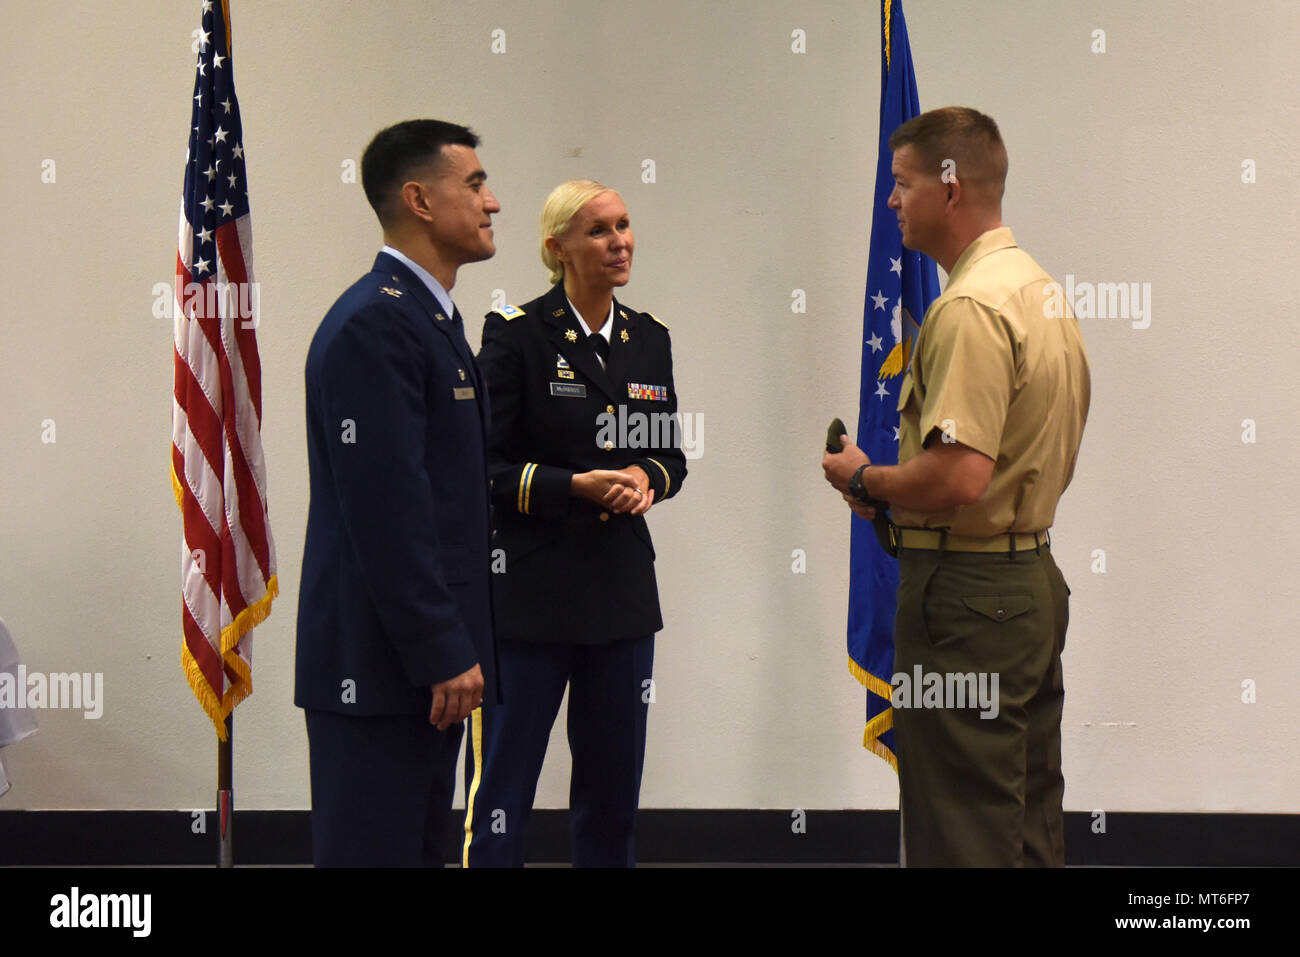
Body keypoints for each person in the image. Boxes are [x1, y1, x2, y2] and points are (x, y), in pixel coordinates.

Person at [823, 107, 1090, 867]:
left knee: (962, 828)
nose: (891, 201)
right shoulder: (1039, 292)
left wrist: (865, 475)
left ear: (949, 188)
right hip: (1027, 581)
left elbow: (960, 474)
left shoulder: (969, 308)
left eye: (901, 183)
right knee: (1025, 816)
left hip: (967, 602)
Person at [462, 180, 686, 867]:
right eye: (598, 230)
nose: (619, 241)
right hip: (528, 601)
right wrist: (572, 486)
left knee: (612, 797)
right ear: (557, 248)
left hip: (619, 600)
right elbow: (482, 467)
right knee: (502, 790)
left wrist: (649, 478)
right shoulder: (516, 334)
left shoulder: (649, 338)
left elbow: (669, 452)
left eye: (622, 225)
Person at [296, 119, 501, 867]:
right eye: (474, 184)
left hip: (416, 670)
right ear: (419, 199)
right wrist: (442, 647)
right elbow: (389, 510)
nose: (493, 202)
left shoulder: (427, 318)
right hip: (381, 668)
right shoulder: (377, 323)